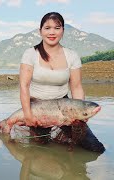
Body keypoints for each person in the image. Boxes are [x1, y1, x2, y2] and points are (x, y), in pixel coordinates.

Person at [19, 12, 104, 152]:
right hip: (37, 107)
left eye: (57, 28)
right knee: (40, 148)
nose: (52, 32)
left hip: (65, 107)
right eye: (47, 28)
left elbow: (76, 87)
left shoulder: (72, 55)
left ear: (63, 30)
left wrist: (80, 111)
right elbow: (24, 86)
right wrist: (28, 115)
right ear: (40, 31)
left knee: (94, 148)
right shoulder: (30, 54)